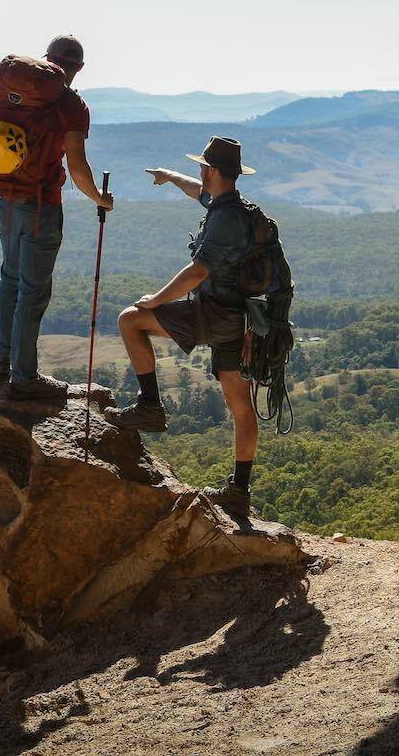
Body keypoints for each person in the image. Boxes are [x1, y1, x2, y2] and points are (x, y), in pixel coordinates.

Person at [102, 135, 261, 514]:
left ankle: (150, 407)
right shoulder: (233, 206)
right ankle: (239, 491)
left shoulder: (224, 219)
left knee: (130, 320)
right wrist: (170, 176)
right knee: (241, 405)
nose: (199, 173)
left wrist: (156, 300)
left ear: (214, 171)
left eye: (202, 168)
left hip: (214, 315)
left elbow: (198, 271)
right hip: (240, 320)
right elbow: (198, 193)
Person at [0, 34, 113, 401]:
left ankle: (2, 359)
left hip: (3, 199)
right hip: (42, 206)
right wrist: (100, 198)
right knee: (34, 289)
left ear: (47, 60)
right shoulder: (71, 105)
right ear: (77, 68)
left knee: (10, 277)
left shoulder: (8, 90)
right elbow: (76, 164)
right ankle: (24, 376)